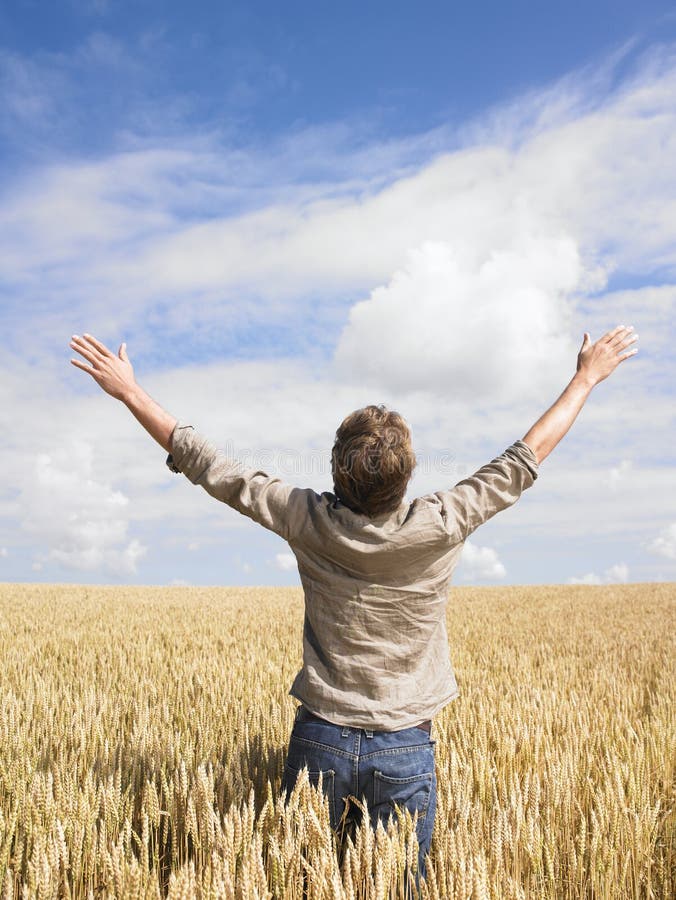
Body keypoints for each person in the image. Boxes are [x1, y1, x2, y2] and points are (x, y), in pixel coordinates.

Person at [69, 324, 639, 887]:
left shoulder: (307, 519)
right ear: (408, 475)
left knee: (304, 884)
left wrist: (130, 392)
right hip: (406, 743)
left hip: (321, 734)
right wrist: (586, 378)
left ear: (337, 469)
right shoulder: (443, 522)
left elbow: (211, 466)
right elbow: (524, 459)